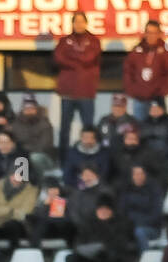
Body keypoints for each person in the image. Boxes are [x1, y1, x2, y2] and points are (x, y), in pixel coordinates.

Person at [53, 12, 102, 155]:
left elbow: (90, 57)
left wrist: (72, 58)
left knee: (88, 128)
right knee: (65, 129)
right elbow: (58, 58)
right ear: (72, 24)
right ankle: (63, 161)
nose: (79, 25)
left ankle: (90, 157)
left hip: (86, 92)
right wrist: (79, 60)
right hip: (67, 92)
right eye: (76, 22)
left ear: (86, 23)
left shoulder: (94, 41)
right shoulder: (64, 41)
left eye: (81, 22)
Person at [122, 20, 168, 122]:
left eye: (154, 33)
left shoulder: (165, 51)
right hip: (139, 98)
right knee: (139, 130)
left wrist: (162, 92)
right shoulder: (136, 50)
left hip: (156, 99)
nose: (151, 36)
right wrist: (132, 90)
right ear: (144, 33)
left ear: (159, 34)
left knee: (159, 128)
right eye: (148, 32)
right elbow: (128, 71)